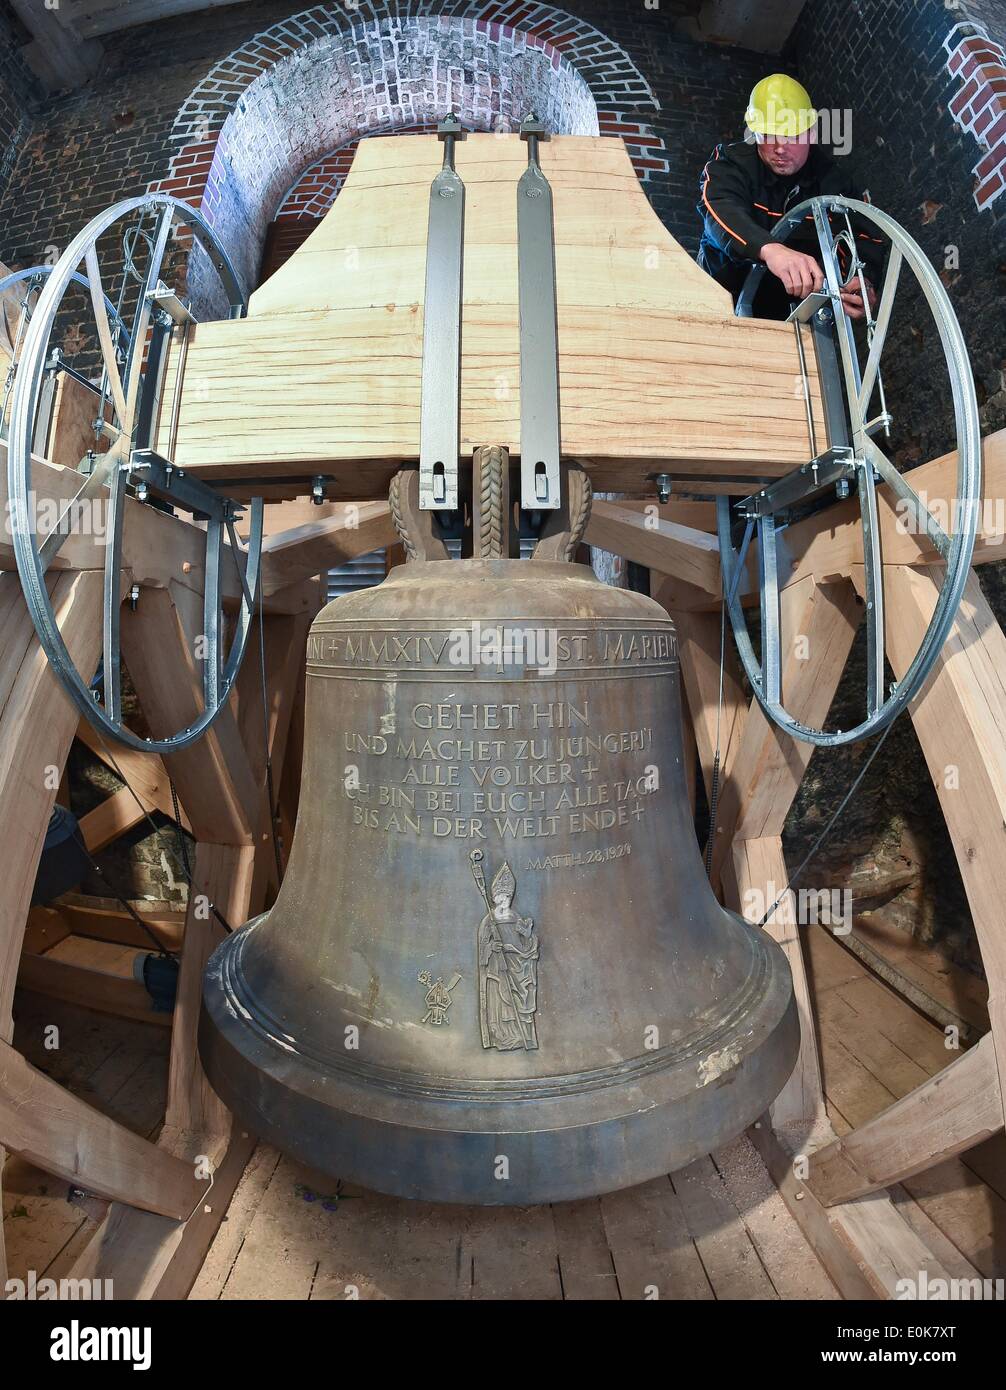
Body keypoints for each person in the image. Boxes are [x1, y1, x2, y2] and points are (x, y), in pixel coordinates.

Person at [697, 73, 883, 320]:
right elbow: (719, 206)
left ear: (812, 133)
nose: (780, 148)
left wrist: (861, 280)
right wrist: (770, 249)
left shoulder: (833, 183)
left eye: (792, 136)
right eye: (768, 135)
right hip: (718, 298)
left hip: (792, 316)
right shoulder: (730, 164)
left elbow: (862, 236)